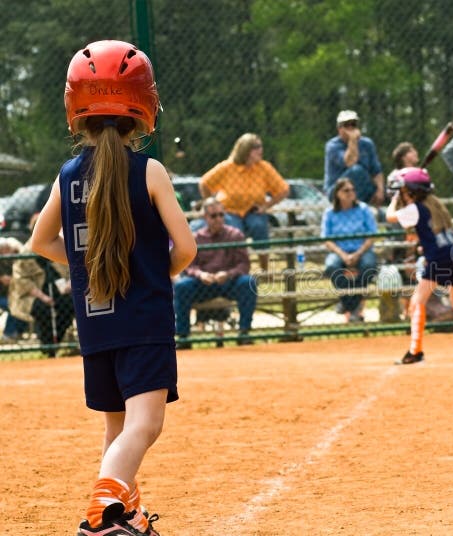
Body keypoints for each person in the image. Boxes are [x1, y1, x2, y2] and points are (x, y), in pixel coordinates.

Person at [30, 40, 196, 536]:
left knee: (116, 428)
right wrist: (155, 273)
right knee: (145, 427)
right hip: (142, 317)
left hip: (94, 321)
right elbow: (185, 248)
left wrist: (84, 267)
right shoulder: (149, 170)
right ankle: (102, 517)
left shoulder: (66, 174)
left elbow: (41, 241)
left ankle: (130, 515)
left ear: (74, 107)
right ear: (142, 106)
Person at [386, 167, 453, 364]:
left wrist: (394, 199)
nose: (402, 194)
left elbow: (390, 217)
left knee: (417, 302)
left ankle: (415, 351)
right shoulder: (435, 204)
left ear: (412, 191)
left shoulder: (415, 208)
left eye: (403, 191)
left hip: (440, 256)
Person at [174, 198, 257, 346]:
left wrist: (228, 274)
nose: (218, 219)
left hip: (229, 283)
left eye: (221, 215)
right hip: (204, 284)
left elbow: (243, 264)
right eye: (213, 216)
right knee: (182, 286)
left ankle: (244, 333)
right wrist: (201, 275)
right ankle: (183, 337)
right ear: (205, 217)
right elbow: (188, 265)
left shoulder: (235, 235)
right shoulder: (197, 238)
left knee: (248, 282)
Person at [200, 132, 289, 271]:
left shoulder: (264, 167)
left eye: (261, 146)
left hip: (253, 210)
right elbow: (204, 183)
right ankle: (237, 270)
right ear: (245, 150)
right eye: (256, 147)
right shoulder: (227, 167)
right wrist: (211, 204)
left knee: (259, 226)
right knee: (235, 233)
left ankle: (265, 270)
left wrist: (266, 206)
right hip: (229, 210)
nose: (261, 150)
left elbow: (284, 189)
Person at [321, 177, 378, 323]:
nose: (350, 193)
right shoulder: (330, 213)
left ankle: (347, 303)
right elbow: (326, 239)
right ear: (337, 194)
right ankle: (353, 306)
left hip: (362, 250)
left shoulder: (364, 209)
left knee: (368, 266)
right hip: (339, 251)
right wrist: (343, 255)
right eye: (346, 190)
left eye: (353, 190)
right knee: (331, 267)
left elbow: (372, 235)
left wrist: (358, 253)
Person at [8, 234, 74, 356]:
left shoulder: (57, 245)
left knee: (69, 306)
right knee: (43, 309)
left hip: (59, 290)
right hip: (34, 295)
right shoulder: (26, 252)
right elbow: (21, 280)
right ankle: (47, 346)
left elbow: (69, 269)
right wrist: (44, 297)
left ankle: (55, 343)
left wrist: (69, 283)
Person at [324, 110, 385, 207]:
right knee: (357, 170)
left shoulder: (367, 144)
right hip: (337, 191)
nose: (351, 128)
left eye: (353, 124)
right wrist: (353, 140)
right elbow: (350, 162)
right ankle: (355, 209)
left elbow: (376, 171)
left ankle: (365, 208)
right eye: (346, 125)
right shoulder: (332, 146)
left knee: (374, 184)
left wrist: (380, 190)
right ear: (339, 129)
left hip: (362, 188)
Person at [0, 237, 27, 341]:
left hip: (13, 295)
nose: (8, 252)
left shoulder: (14, 260)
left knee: (25, 305)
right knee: (13, 306)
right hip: (2, 297)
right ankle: (8, 335)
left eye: (8, 249)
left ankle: (17, 333)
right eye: (4, 250)